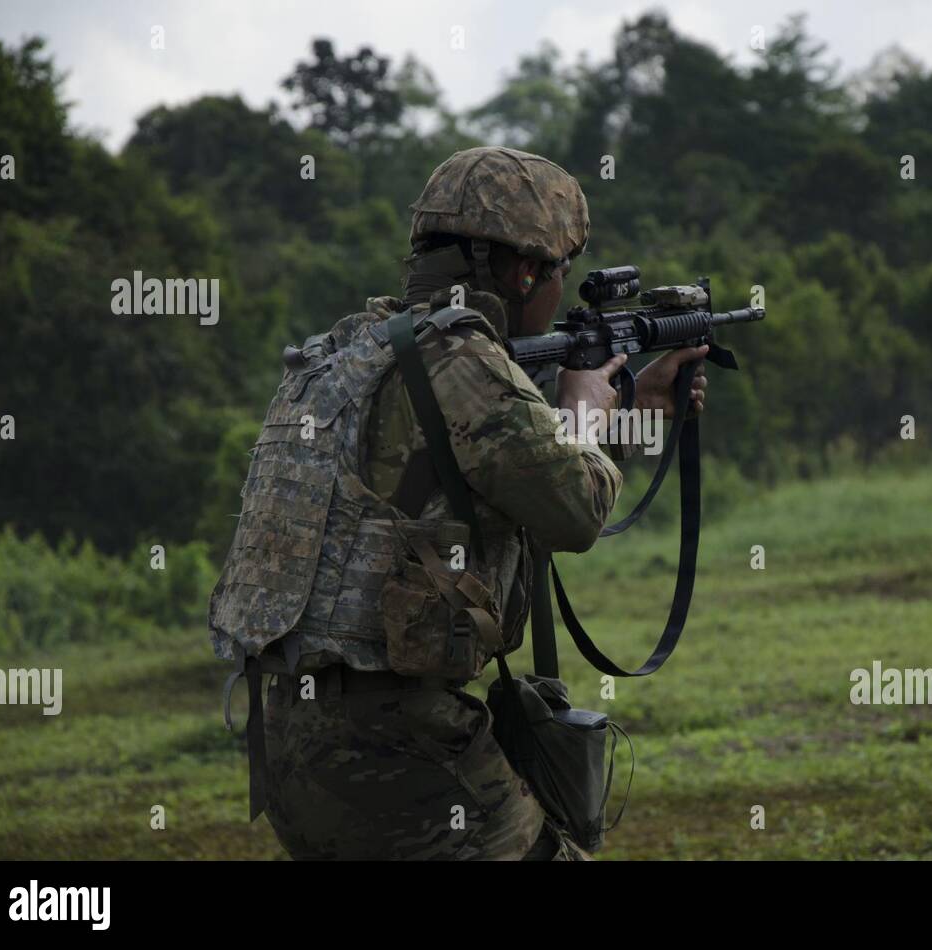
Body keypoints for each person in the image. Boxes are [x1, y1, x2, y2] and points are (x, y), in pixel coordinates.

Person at [209, 146, 707, 860]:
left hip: (294, 744)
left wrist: (641, 407)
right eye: (559, 273)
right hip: (392, 748)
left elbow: (502, 483)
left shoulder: (354, 350)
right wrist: (582, 415)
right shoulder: (463, 361)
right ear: (524, 270)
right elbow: (574, 510)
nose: (560, 295)